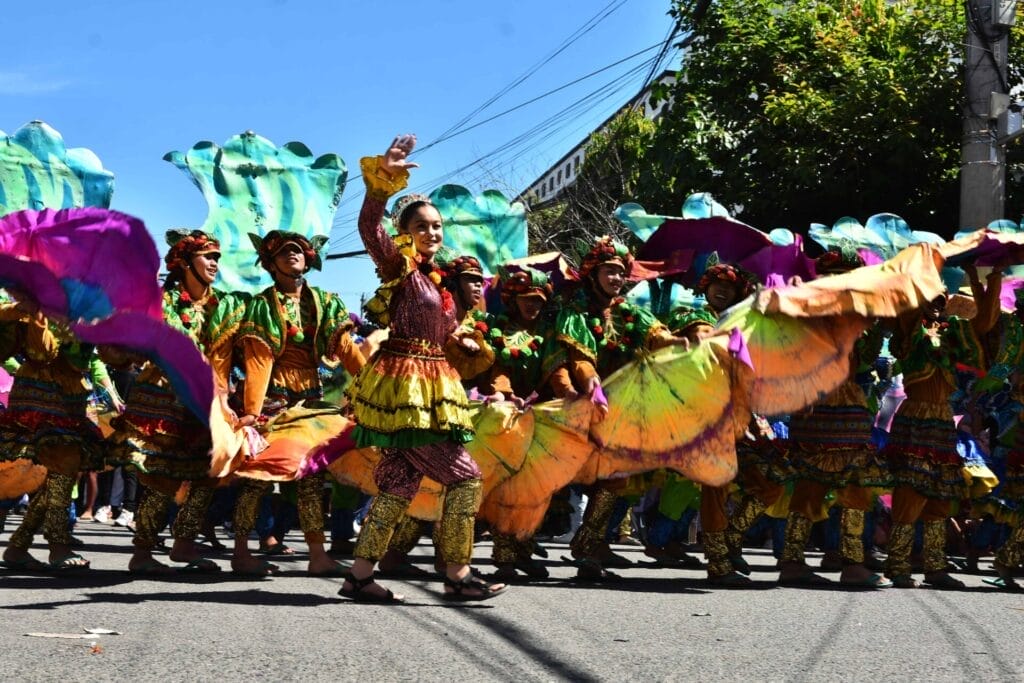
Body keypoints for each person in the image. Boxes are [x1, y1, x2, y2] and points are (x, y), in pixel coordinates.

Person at [340, 134, 506, 602]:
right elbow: (370, 227)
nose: (433, 233)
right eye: (424, 226)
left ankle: (358, 576)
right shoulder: (401, 268)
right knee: (466, 476)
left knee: (398, 484)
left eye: (438, 226)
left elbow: (444, 334)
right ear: (406, 232)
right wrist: (381, 184)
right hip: (408, 389)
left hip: (433, 385)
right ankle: (457, 574)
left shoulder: (439, 283)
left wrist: (462, 338)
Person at [107, 229, 246, 574]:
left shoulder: (224, 305)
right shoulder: (160, 300)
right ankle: (142, 552)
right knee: (160, 475)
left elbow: (232, 355)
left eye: (217, 257)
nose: (215, 263)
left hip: (206, 401)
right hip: (161, 397)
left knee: (210, 473)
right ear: (184, 262)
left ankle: (184, 544)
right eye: (208, 256)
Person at [231, 229, 365, 577]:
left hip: (312, 399)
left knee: (310, 477)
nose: (293, 255)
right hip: (273, 399)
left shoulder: (325, 301)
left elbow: (348, 349)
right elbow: (258, 361)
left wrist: (372, 385)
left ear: (309, 258)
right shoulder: (262, 305)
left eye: (298, 250)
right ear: (270, 263)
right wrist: (251, 412)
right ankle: (242, 550)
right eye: (284, 251)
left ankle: (317, 554)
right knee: (259, 477)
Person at [556, 236, 687, 581]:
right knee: (573, 481)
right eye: (609, 271)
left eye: (620, 272)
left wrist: (675, 341)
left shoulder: (627, 309)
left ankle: (589, 547)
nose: (615, 278)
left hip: (623, 410)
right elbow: (580, 359)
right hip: (583, 404)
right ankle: (520, 546)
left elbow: (655, 334)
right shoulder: (576, 311)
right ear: (593, 272)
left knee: (614, 481)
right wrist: (591, 382)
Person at [778, 250, 892, 588]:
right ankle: (852, 563)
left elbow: (868, 359)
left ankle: (793, 561)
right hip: (833, 413)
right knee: (853, 489)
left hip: (818, 412)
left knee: (809, 488)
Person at [885, 266, 1001, 589]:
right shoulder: (909, 329)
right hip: (916, 418)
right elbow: (906, 307)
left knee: (939, 496)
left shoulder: (952, 334)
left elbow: (984, 324)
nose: (936, 305)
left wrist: (988, 279)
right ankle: (897, 564)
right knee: (910, 492)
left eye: (940, 300)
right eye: (929, 299)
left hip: (940, 421)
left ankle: (935, 567)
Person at [671, 263, 785, 586]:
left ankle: (731, 539)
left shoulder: (745, 327)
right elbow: (699, 344)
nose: (721, 290)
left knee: (772, 481)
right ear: (705, 289)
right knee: (716, 486)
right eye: (715, 284)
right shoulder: (694, 318)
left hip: (742, 416)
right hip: (707, 417)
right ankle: (718, 561)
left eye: (730, 286)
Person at [0, 297, 110, 571]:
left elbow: (100, 358)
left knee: (60, 474)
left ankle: (19, 546)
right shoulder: (32, 296)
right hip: (38, 394)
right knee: (54, 468)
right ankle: (58, 545)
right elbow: (41, 353)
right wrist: (30, 312)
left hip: (74, 397)